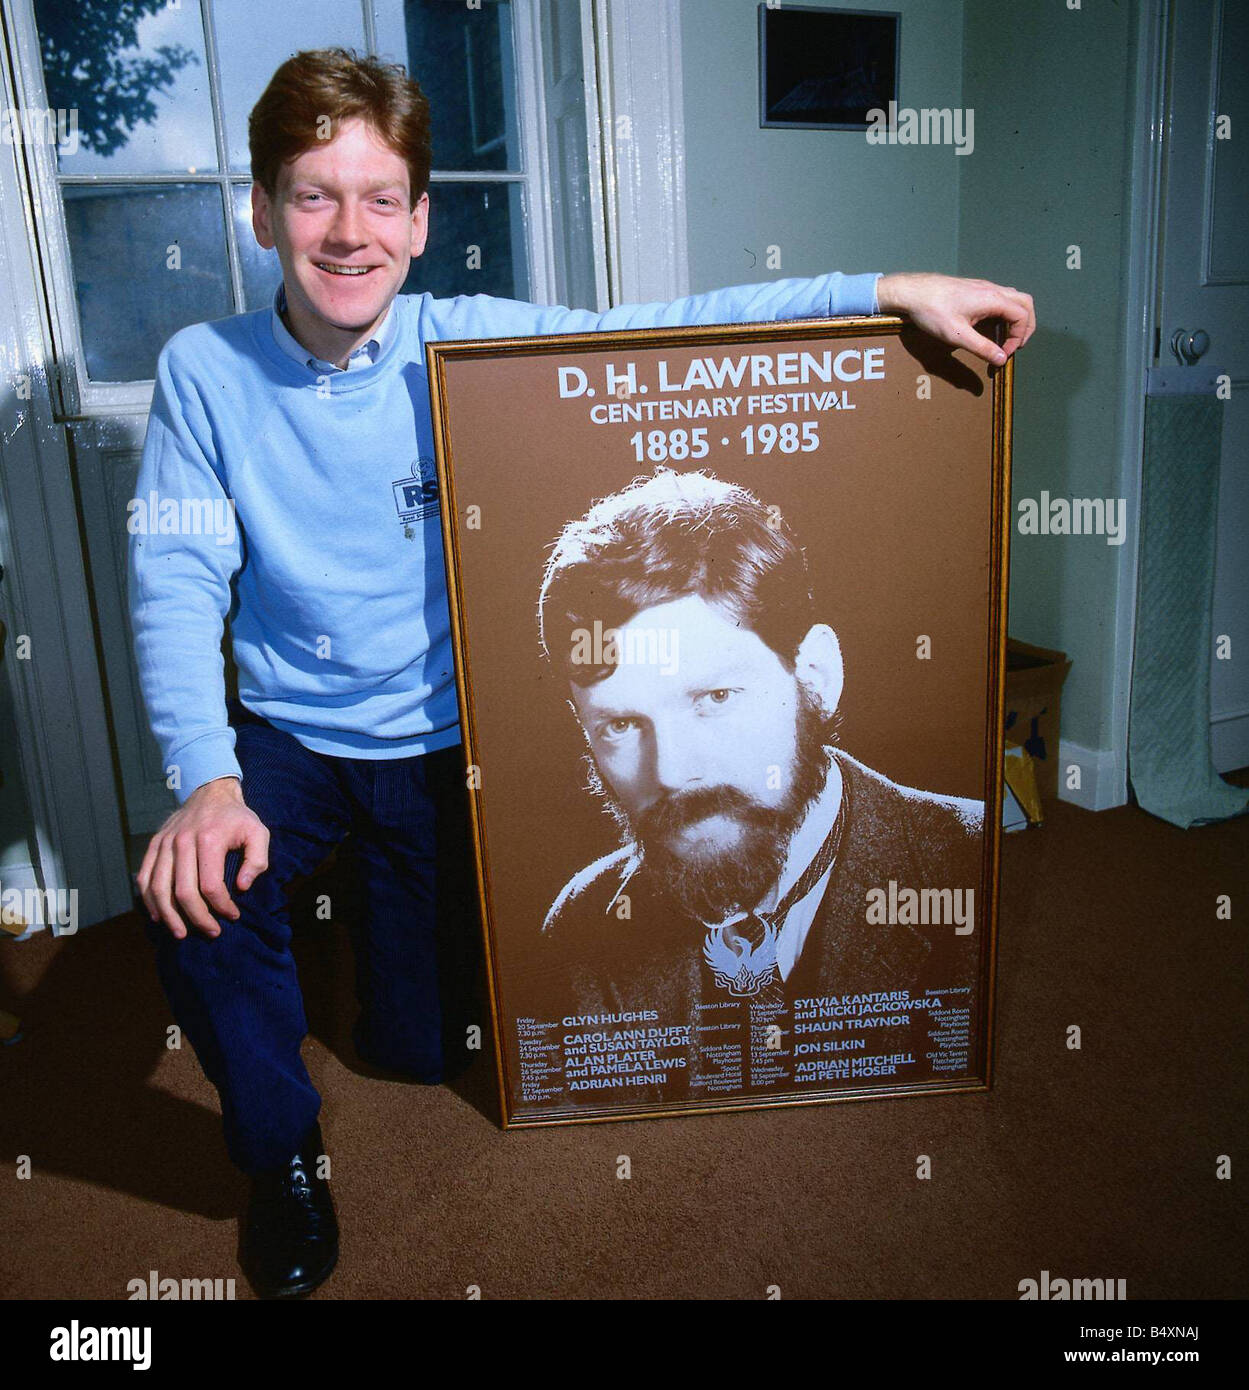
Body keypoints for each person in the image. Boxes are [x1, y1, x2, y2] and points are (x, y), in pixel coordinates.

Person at [129, 46, 1033, 1297]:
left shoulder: (466, 347)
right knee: (203, 897)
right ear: (262, 209)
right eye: (313, 195)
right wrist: (207, 779)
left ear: (422, 217)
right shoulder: (203, 374)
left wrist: (884, 286)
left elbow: (662, 332)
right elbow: (175, 587)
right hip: (289, 730)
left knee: (414, 1046)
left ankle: (381, 984)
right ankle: (281, 1158)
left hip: (448, 738)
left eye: (380, 196)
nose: (348, 231)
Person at [537, 470, 983, 1102]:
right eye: (620, 724)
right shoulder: (583, 920)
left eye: (714, 697)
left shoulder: (978, 864)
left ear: (816, 677)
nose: (670, 772)